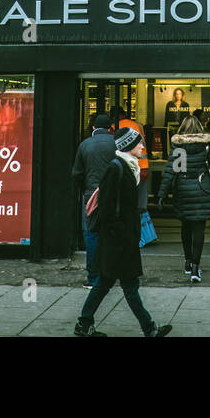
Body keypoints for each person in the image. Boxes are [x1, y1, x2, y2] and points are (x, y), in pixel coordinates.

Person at [74, 127, 172, 338]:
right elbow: (110, 208)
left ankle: (84, 323)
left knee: (107, 283)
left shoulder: (128, 167)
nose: (143, 147)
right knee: (128, 285)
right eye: (139, 143)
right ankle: (149, 328)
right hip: (118, 240)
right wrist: (122, 234)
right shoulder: (116, 168)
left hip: (120, 239)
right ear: (128, 146)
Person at [158, 114, 210, 283]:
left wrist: (162, 193)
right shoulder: (207, 144)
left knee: (186, 226)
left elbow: (173, 170)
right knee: (199, 228)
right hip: (203, 188)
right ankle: (195, 266)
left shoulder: (179, 145)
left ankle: (187, 261)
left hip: (183, 189)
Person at [71, 113, 117, 289]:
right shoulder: (116, 144)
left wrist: (84, 188)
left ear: (93, 128)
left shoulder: (85, 145)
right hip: (112, 194)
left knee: (92, 234)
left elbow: (76, 173)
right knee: (111, 233)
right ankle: (110, 274)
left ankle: (93, 278)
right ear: (110, 128)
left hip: (91, 195)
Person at [110, 106, 149, 213]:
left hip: (126, 167)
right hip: (143, 166)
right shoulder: (138, 126)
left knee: (127, 201)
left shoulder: (114, 128)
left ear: (114, 117)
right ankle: (142, 224)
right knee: (141, 204)